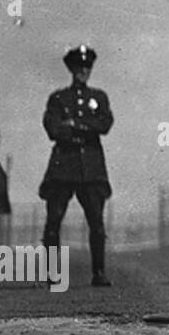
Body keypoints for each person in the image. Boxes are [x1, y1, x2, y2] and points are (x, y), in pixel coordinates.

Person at [40, 45, 114, 286]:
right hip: (64, 166)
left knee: (97, 224)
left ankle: (99, 273)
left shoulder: (99, 97)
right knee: (53, 222)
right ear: (71, 69)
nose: (83, 71)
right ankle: (52, 273)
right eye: (79, 67)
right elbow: (53, 129)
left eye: (87, 67)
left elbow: (104, 124)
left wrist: (74, 124)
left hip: (91, 169)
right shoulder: (58, 99)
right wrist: (83, 127)